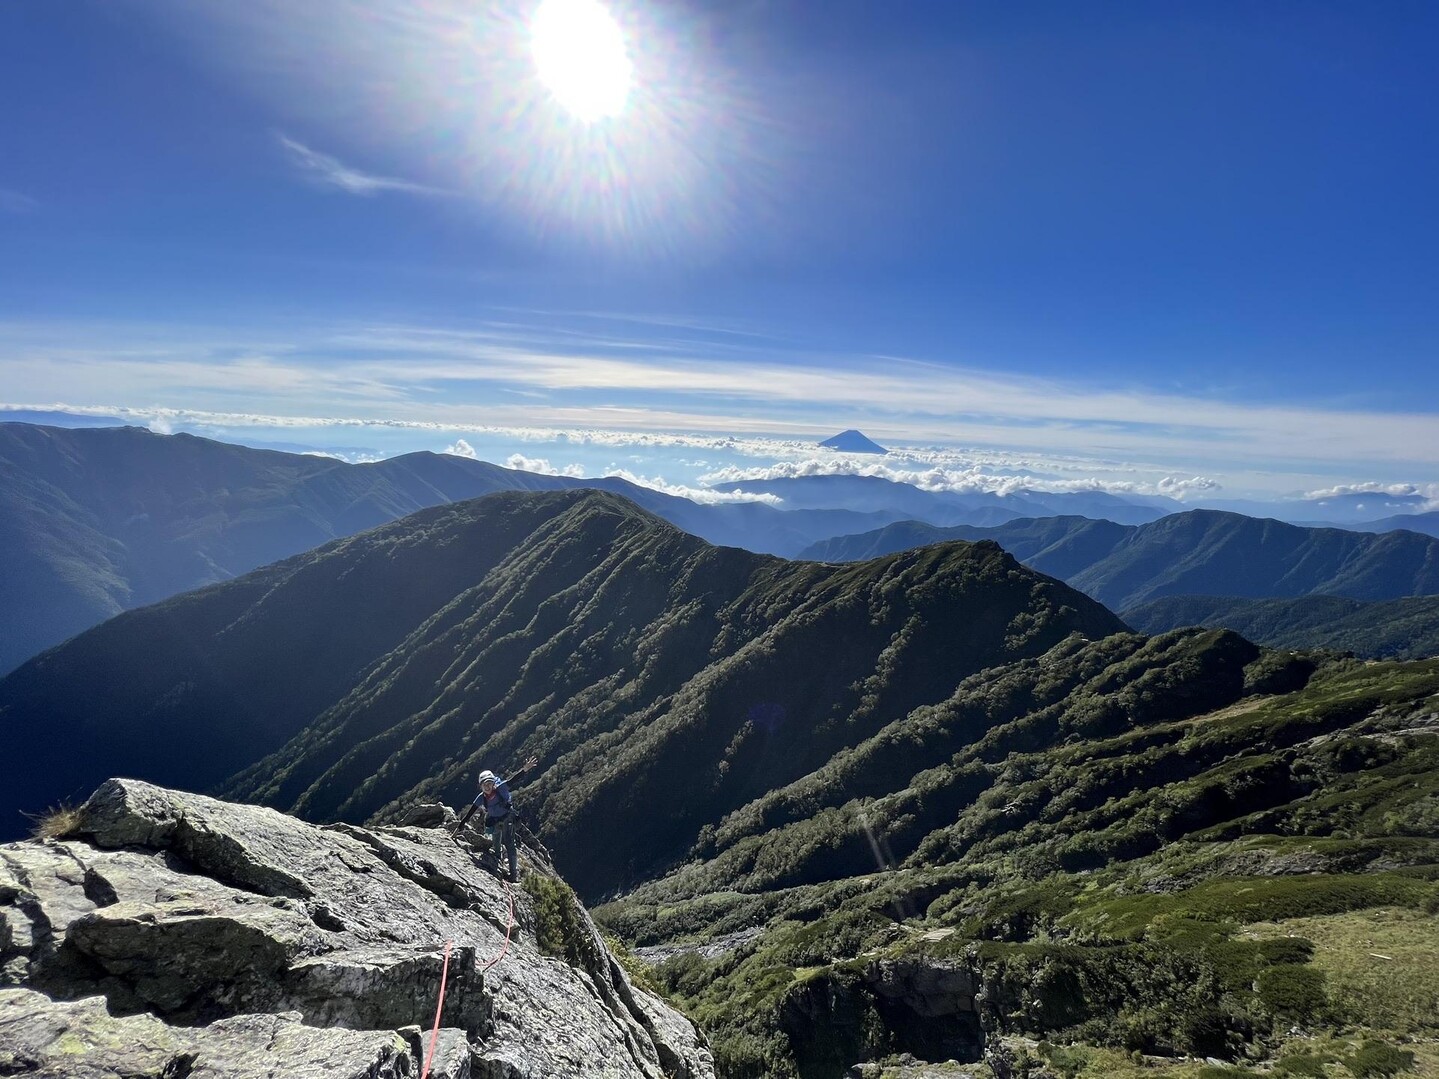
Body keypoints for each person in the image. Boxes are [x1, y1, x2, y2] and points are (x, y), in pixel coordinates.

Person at [453, 755, 537, 882]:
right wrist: (459, 828)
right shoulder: (481, 798)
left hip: (507, 818)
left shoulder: (501, 788)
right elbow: (469, 814)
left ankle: (513, 874)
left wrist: (525, 769)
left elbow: (513, 780)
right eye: (484, 785)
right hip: (494, 819)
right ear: (480, 786)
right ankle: (497, 857)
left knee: (509, 843)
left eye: (489, 783)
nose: (487, 787)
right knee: (495, 841)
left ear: (493, 783)